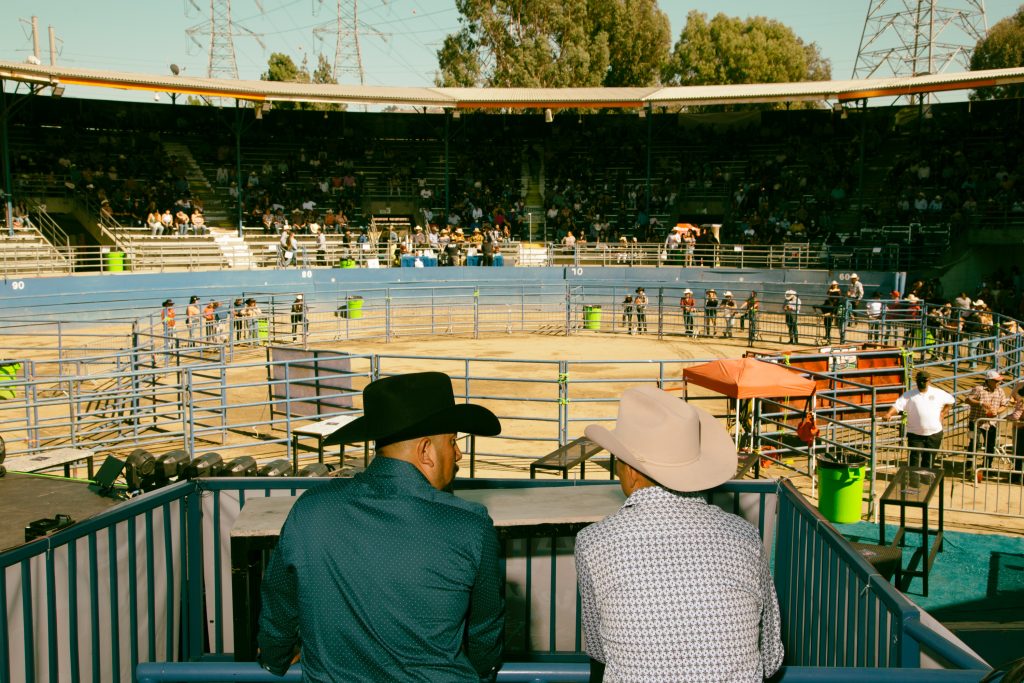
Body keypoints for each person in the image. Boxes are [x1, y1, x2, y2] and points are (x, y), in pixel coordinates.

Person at [258, 372, 505, 681]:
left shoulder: (311, 509)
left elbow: (279, 607)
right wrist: (483, 671)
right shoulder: (470, 526)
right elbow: (485, 633)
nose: (458, 454)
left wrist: (276, 658)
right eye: (453, 442)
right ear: (425, 450)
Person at [575, 386, 783, 682]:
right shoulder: (745, 536)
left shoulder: (594, 542)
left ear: (631, 472)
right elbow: (771, 657)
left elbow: (599, 649)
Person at [884, 371, 955, 469]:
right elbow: (897, 406)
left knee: (929, 460)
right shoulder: (908, 395)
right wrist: (889, 413)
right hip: (915, 435)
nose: (921, 383)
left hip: (934, 434)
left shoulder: (938, 393)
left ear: (929, 381)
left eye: (924, 381)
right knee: (914, 460)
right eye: (919, 381)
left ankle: (926, 477)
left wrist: (943, 413)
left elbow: (951, 401)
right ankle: (914, 478)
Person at [965, 369, 1012, 482]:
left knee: (990, 446)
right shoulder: (978, 389)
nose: (998, 383)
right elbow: (968, 400)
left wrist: (997, 411)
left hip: (991, 423)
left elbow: (1004, 405)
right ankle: (969, 466)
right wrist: (980, 403)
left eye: (999, 381)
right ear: (989, 380)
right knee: (974, 444)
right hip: (976, 422)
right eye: (996, 381)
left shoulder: (1000, 391)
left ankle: (987, 467)